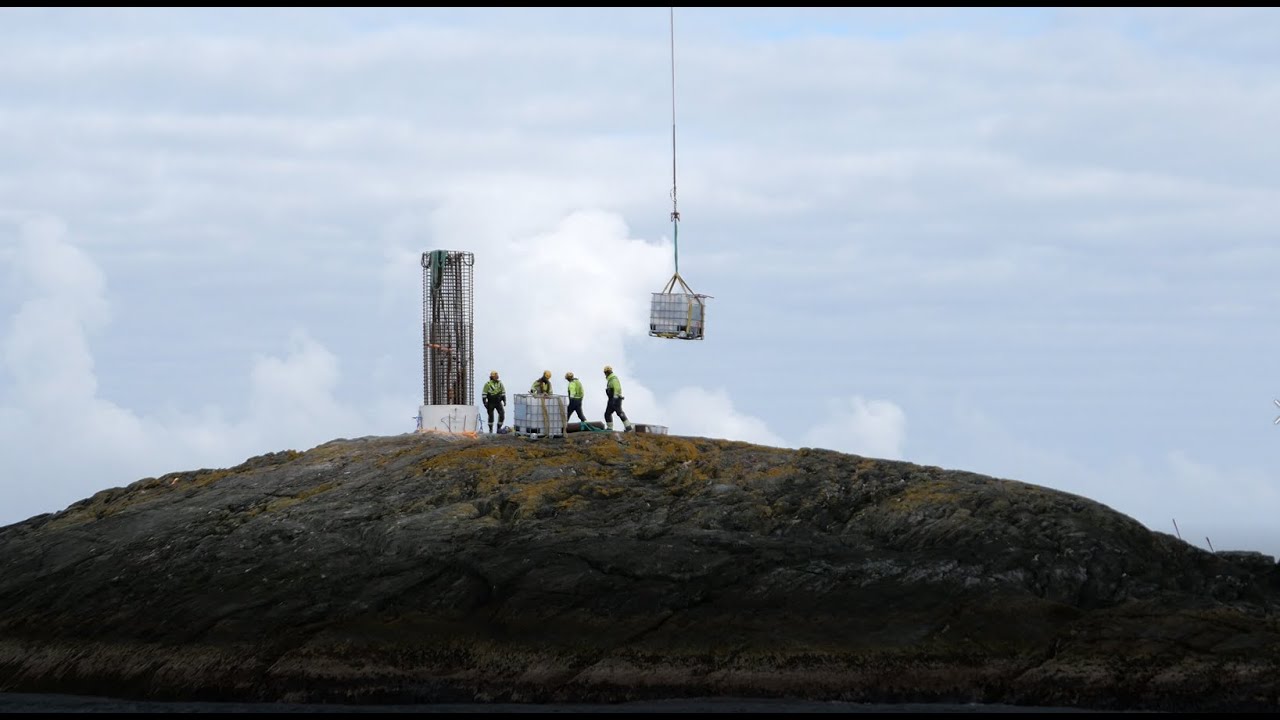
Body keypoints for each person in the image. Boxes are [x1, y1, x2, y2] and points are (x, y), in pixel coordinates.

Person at [603, 365, 633, 432]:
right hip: (612, 399)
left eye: (606, 372)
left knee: (619, 412)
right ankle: (610, 428)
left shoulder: (613, 379)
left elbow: (617, 389)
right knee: (607, 413)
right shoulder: (610, 379)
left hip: (615, 399)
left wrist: (615, 398)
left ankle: (628, 428)